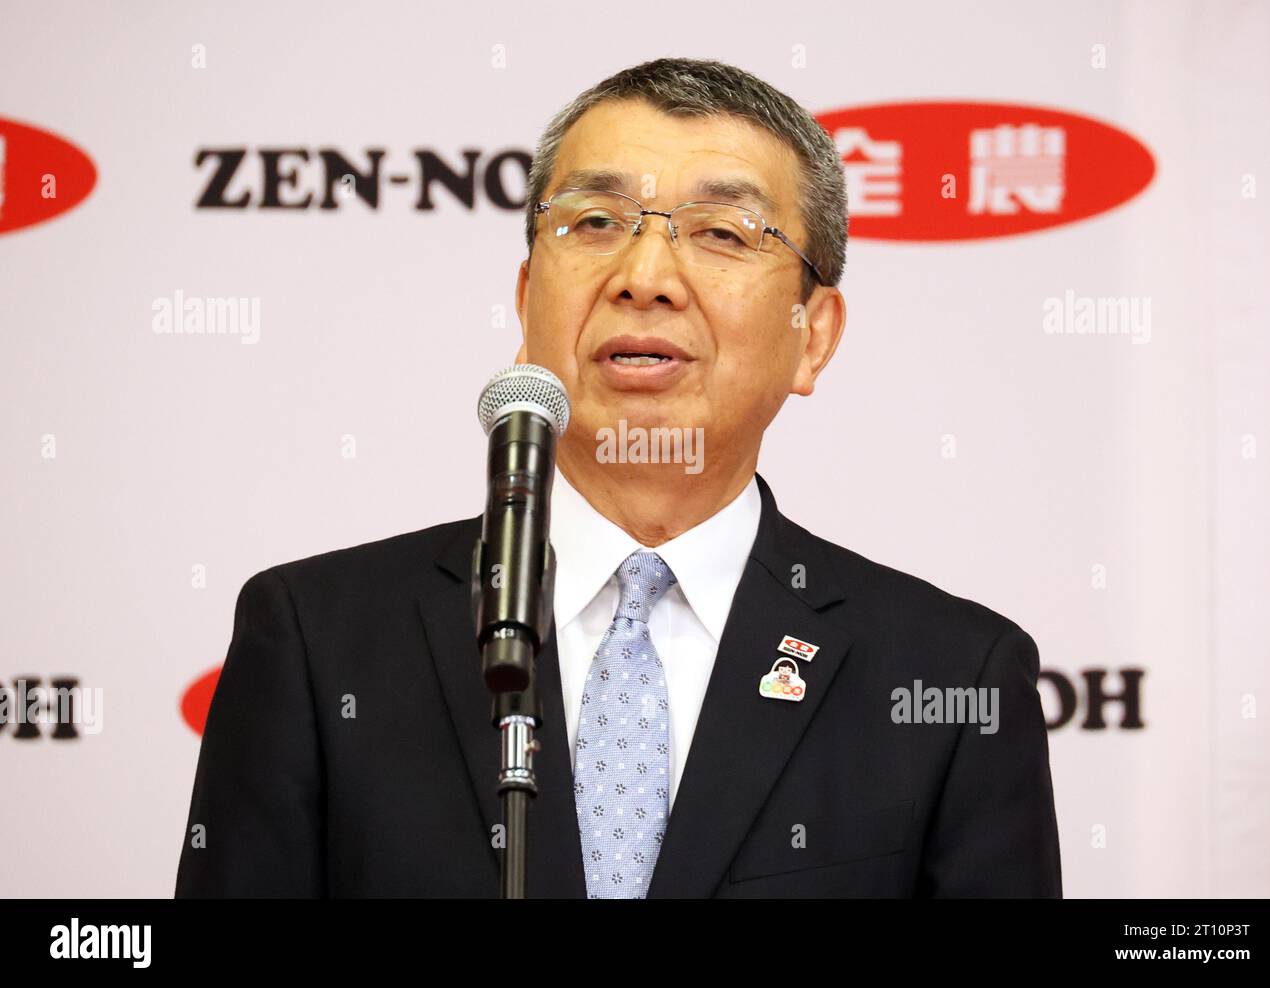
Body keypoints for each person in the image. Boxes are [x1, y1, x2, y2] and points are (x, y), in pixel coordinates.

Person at [175, 57, 1062, 898]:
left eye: (722, 233)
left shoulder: (954, 677)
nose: (645, 278)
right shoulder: (316, 641)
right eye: (595, 223)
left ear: (814, 332)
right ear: (527, 302)